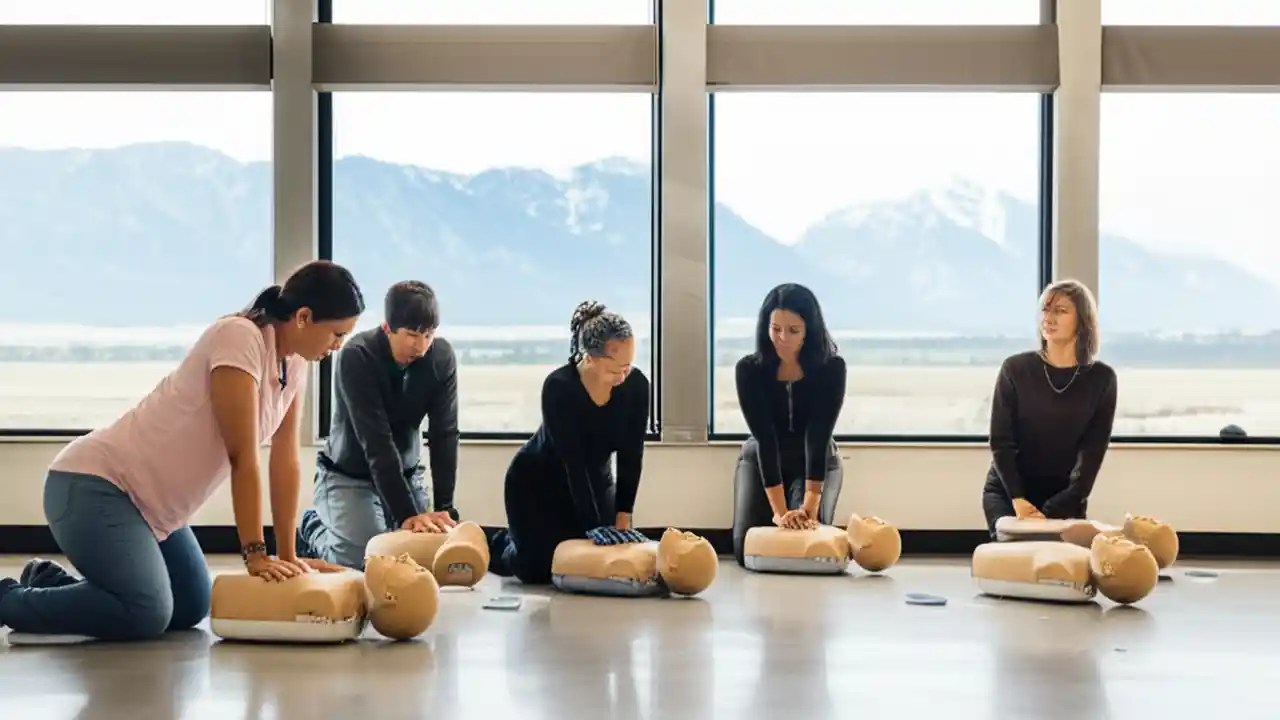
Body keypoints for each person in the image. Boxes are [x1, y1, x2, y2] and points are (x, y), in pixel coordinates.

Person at [0, 261, 365, 641]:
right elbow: (243, 456)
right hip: (94, 486)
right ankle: (7, 598)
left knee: (191, 604)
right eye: (337, 334)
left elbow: (285, 459)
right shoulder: (239, 337)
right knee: (147, 612)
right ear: (303, 317)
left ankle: (48, 583)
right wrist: (255, 554)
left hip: (154, 513)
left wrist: (288, 556)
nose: (338, 346)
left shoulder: (295, 365)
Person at [297, 281, 461, 569]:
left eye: (428, 334)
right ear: (387, 328)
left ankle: (385, 523)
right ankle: (312, 528)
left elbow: (444, 433)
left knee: (420, 563)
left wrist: (444, 508)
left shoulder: (441, 357)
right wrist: (407, 515)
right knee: (367, 563)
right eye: (412, 335)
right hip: (348, 476)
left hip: (407, 476)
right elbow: (377, 442)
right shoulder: (357, 356)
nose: (421, 347)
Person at [487, 301, 650, 585]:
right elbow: (572, 462)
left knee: (589, 563)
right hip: (537, 483)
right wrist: (593, 527)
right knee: (536, 572)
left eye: (628, 366)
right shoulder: (559, 387)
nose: (623, 377)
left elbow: (631, 455)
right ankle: (493, 541)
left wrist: (623, 518)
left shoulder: (636, 387)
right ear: (589, 358)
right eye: (615, 370)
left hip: (595, 483)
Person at [982, 278, 1118, 538]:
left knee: (1063, 567)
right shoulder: (1015, 369)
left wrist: (1057, 507)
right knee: (1020, 561)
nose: (1049, 317)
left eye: (1061, 311)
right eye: (1045, 309)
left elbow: (1091, 453)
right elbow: (1001, 442)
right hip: (1010, 495)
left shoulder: (1102, 379)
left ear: (1083, 320)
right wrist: (1018, 499)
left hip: (1064, 498)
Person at [731, 283, 847, 567]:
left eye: (793, 330)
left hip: (817, 461)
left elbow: (817, 436)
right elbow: (765, 439)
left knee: (808, 543)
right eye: (776, 329)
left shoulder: (832, 368)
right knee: (745, 550)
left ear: (810, 330)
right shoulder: (748, 370)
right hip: (762, 457)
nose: (783, 338)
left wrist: (808, 508)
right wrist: (780, 512)